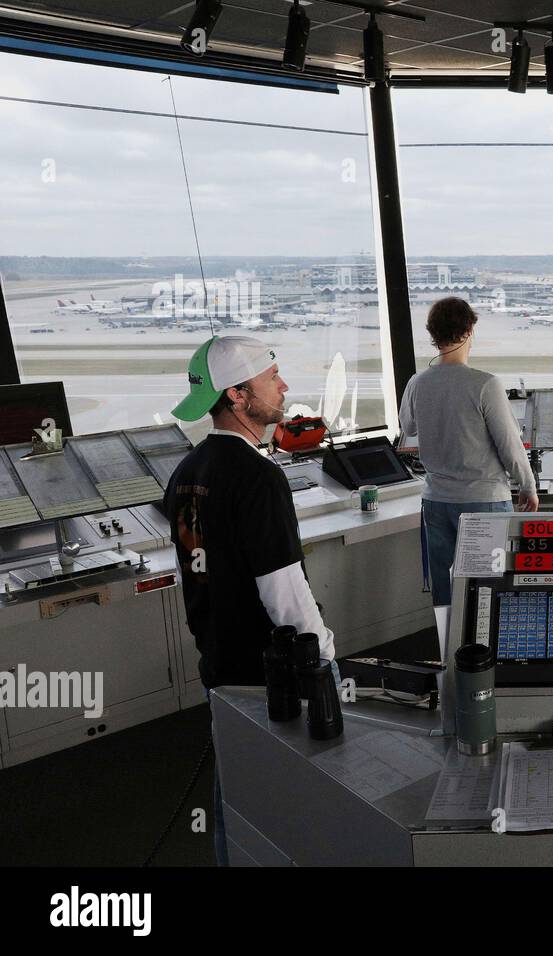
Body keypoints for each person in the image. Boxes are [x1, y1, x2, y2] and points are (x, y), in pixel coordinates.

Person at [166, 335, 337, 866]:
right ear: (238, 396)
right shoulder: (258, 478)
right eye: (271, 378)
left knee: (232, 787)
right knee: (291, 795)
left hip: (218, 659)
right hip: (271, 671)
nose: (283, 387)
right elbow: (282, 587)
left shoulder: (186, 473)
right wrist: (323, 655)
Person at [399, 297, 538, 642]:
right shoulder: (484, 384)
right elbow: (510, 446)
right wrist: (528, 486)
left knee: (446, 595)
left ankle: (451, 660)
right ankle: (489, 663)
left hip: (436, 502)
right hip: (484, 503)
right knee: (489, 591)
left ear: (433, 335)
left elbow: (407, 426)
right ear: (469, 330)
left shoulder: (418, 382)